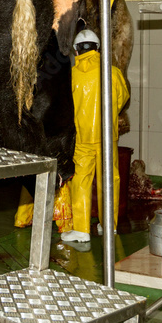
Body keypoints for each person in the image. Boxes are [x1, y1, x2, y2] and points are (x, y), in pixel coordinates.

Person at [61, 30, 129, 242]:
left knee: (81, 181)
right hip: (107, 136)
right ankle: (109, 226)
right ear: (98, 48)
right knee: (109, 180)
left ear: (76, 50)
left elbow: (65, 107)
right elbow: (122, 99)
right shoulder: (113, 72)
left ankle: (81, 230)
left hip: (81, 137)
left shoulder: (71, 75)